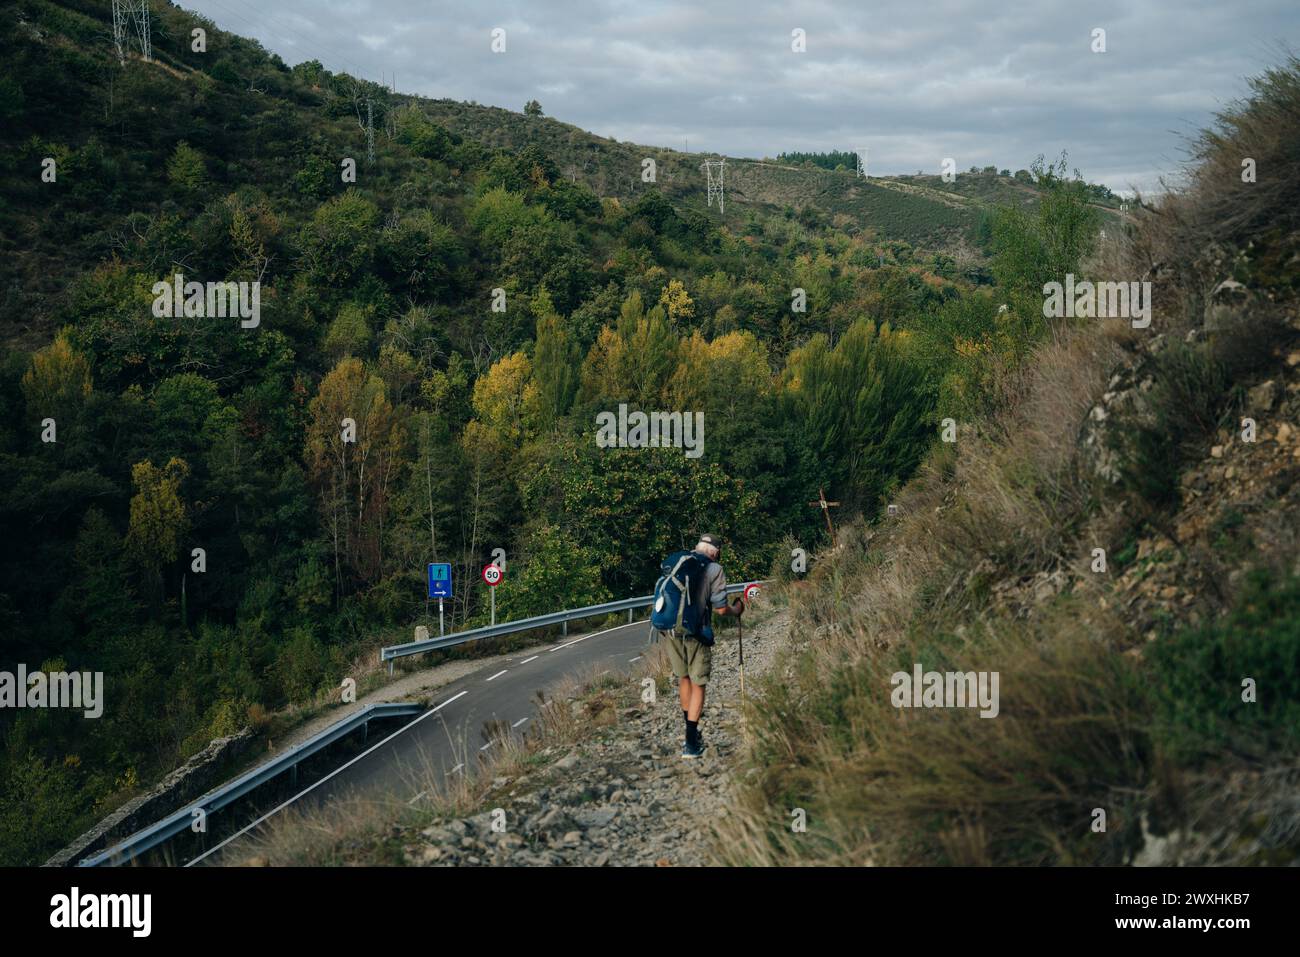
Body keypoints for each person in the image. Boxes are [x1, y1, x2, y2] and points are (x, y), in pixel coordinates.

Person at [661, 534, 743, 758]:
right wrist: (737, 611)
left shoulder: (679, 561)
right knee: (699, 684)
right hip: (696, 632)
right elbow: (720, 609)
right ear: (715, 552)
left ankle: (690, 734)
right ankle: (691, 743)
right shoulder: (714, 569)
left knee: (683, 678)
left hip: (671, 631)